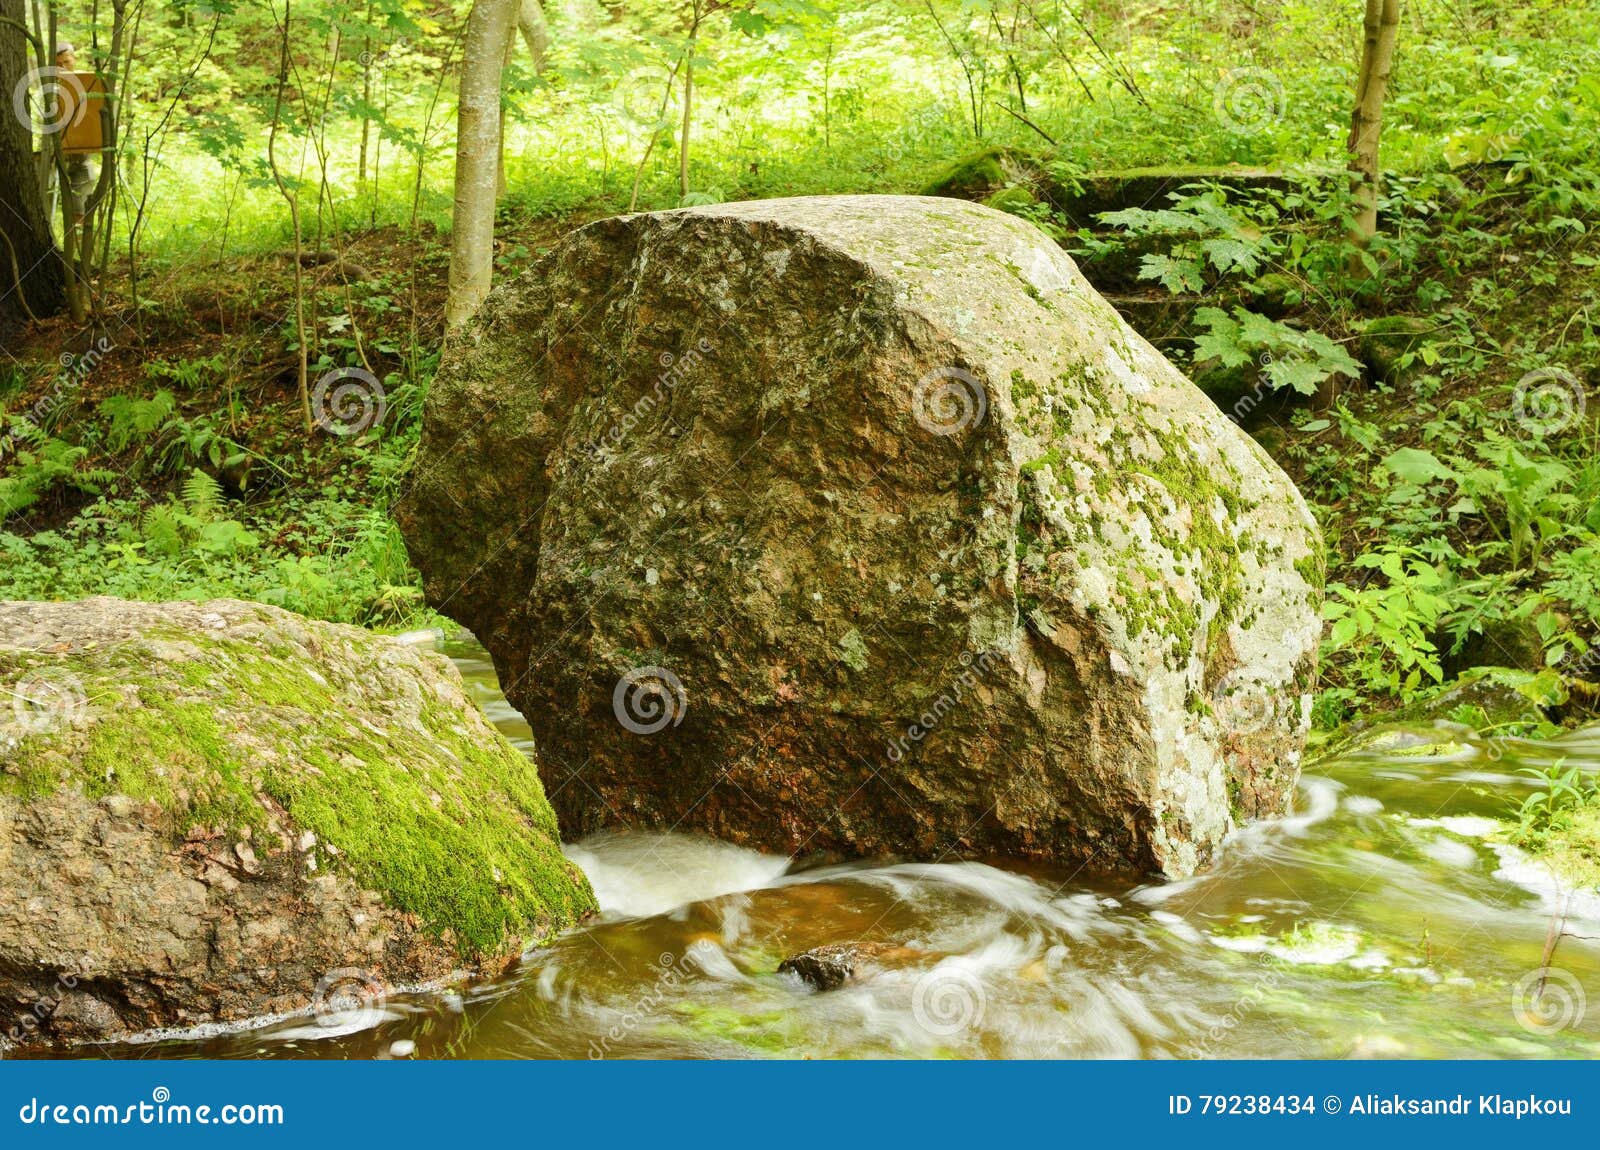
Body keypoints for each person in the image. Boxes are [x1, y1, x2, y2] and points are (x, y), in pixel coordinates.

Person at [52, 41, 96, 231]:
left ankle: (81, 241)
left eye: (66, 62)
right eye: (58, 64)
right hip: (54, 157)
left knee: (82, 204)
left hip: (81, 155)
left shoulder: (86, 85)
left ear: (74, 60)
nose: (63, 67)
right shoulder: (49, 89)